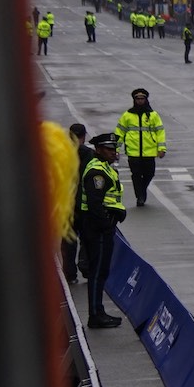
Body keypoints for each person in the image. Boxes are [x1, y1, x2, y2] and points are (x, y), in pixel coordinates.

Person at [77, 133, 125, 328]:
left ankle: (98, 311)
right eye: (109, 149)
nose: (114, 152)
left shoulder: (104, 167)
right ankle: (95, 315)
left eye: (114, 149)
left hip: (97, 227)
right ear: (98, 150)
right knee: (98, 272)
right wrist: (106, 225)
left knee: (100, 271)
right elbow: (95, 204)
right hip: (97, 229)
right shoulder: (98, 172)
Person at [115, 88, 167, 207]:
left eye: (142, 99)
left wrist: (161, 149)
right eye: (137, 99)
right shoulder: (127, 115)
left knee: (150, 174)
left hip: (149, 152)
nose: (140, 101)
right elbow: (119, 133)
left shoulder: (153, 115)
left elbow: (160, 132)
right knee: (136, 175)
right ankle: (140, 196)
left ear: (146, 99)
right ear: (134, 100)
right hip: (133, 152)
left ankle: (142, 191)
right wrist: (116, 149)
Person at [61, 122, 89, 283]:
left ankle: (70, 274)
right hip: (83, 205)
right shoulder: (90, 154)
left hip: (67, 206)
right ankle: (82, 267)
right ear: (84, 137)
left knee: (68, 242)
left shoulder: (61, 153)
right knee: (86, 238)